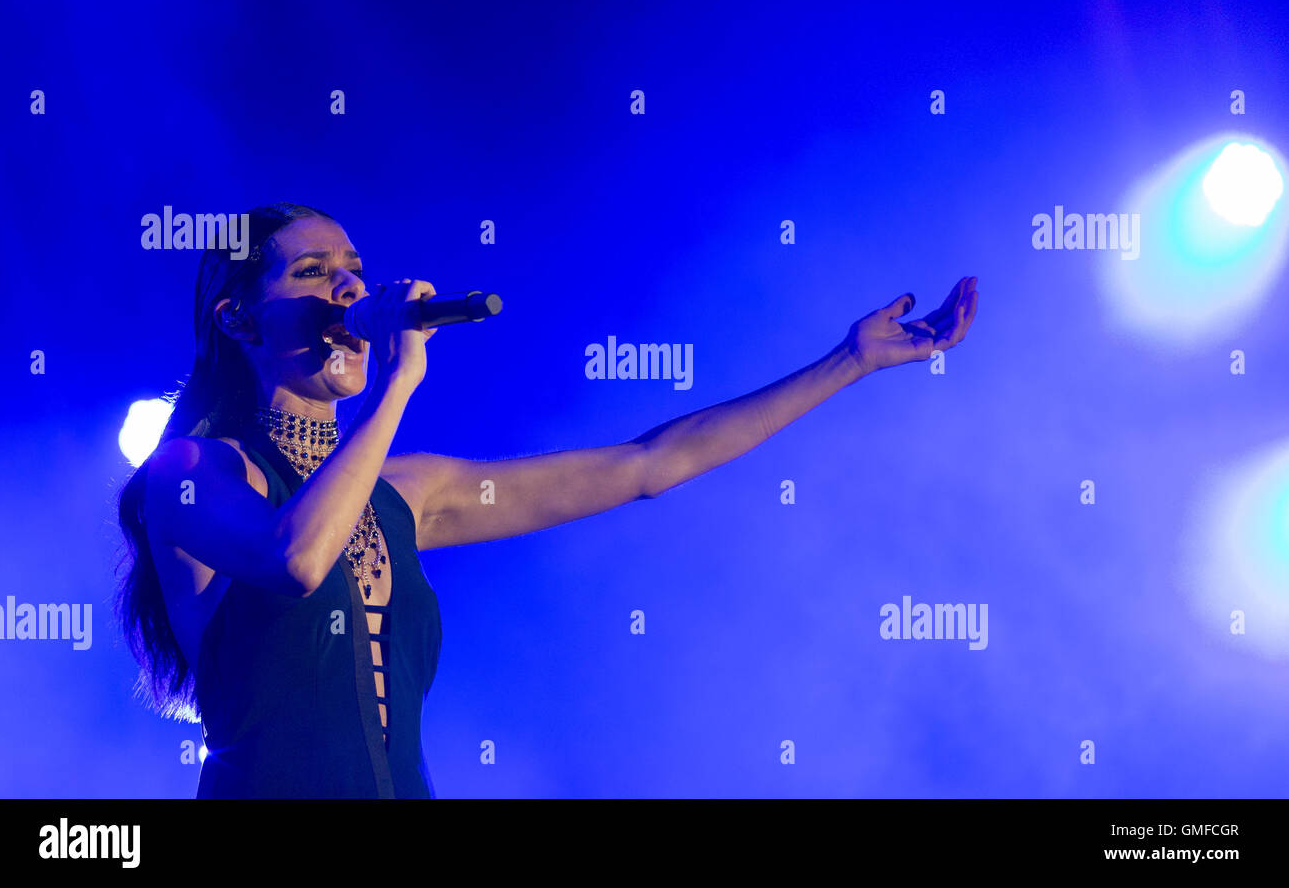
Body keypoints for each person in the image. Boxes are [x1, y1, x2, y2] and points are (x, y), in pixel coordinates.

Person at [114, 202, 979, 798]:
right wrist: (399, 383)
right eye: (312, 272)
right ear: (237, 321)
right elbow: (294, 558)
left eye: (356, 270)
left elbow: (649, 464)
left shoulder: (408, 493)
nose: (349, 290)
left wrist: (848, 362)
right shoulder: (188, 473)